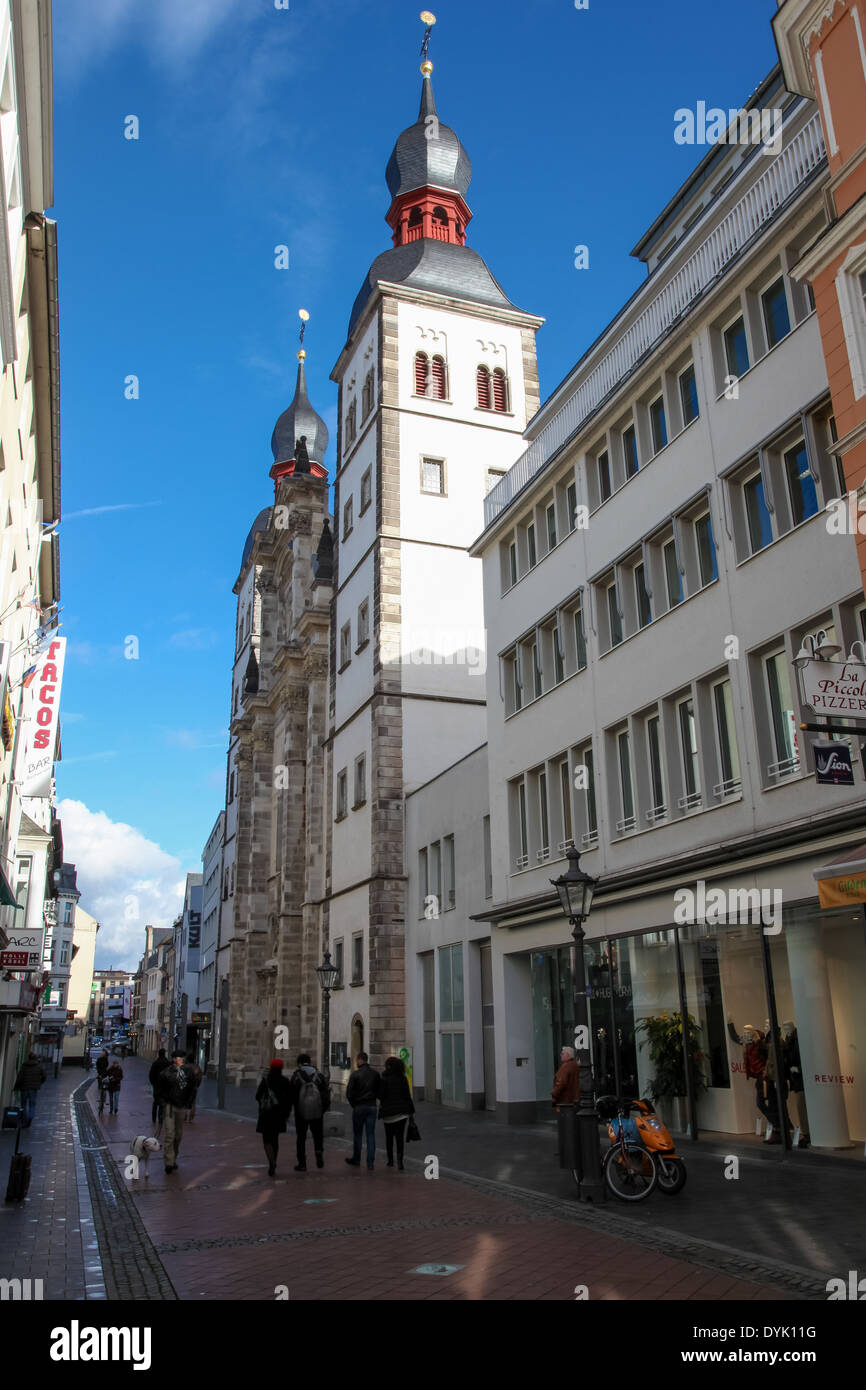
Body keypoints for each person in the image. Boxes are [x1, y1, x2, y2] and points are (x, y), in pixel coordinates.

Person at [157, 1049, 196, 1174]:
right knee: (169, 1135)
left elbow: (192, 1087)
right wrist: (163, 1103)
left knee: (178, 1135)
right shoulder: (166, 1073)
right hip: (169, 1106)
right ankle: (168, 1162)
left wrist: (189, 1102)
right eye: (178, 1057)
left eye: (181, 1057)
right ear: (174, 1059)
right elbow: (158, 1090)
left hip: (181, 1106)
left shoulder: (189, 1071)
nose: (180, 1059)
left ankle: (173, 1157)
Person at [288, 1052, 329, 1171]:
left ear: (299, 1063)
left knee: (301, 1137)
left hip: (301, 1112)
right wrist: (323, 1109)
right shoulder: (319, 1075)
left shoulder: (296, 1076)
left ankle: (302, 1163)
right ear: (310, 1062)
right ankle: (318, 1151)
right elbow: (326, 1094)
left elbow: (291, 1094)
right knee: (318, 1135)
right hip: (317, 1111)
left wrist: (293, 1107)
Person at [255, 1059, 293, 1176]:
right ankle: (274, 1160)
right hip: (279, 1114)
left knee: (266, 1140)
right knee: (275, 1139)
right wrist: (286, 1113)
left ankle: (271, 1162)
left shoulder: (266, 1081)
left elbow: (257, 1096)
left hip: (266, 1114)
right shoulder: (285, 1081)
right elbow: (289, 1099)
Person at [345, 1052, 381, 1171]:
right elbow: (379, 1091)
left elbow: (349, 1093)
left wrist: (354, 1104)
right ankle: (370, 1163)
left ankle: (356, 1158)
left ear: (360, 1060)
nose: (356, 1063)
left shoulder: (355, 1075)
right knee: (371, 1135)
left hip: (359, 1106)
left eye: (357, 1060)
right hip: (371, 1106)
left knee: (358, 1135)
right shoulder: (375, 1074)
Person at [378, 1055, 414, 1171]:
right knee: (399, 1138)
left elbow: (380, 1096)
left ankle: (390, 1160)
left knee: (389, 1138)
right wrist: (411, 1112)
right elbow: (407, 1096)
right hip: (401, 1113)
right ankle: (400, 1162)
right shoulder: (402, 1078)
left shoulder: (384, 1079)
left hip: (388, 1114)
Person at [14, 1051, 46, 1123]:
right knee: (32, 1104)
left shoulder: (24, 1066)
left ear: (28, 1058)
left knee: (23, 1105)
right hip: (33, 1088)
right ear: (35, 1058)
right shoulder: (39, 1066)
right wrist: (40, 1082)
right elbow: (44, 1076)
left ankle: (24, 1119)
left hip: (24, 1088)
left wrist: (16, 1086)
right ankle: (30, 1117)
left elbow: (20, 1077)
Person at [148, 1049, 170, 1125]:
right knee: (162, 1103)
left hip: (156, 1086)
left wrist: (153, 1083)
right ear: (164, 1054)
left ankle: (154, 1118)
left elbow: (151, 1075)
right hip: (165, 1086)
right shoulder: (167, 1063)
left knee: (155, 1102)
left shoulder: (155, 1063)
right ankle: (160, 1119)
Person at [185, 1051, 203, 1122]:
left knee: (185, 1101)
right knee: (193, 1102)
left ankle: (184, 1116)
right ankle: (191, 1118)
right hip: (194, 1087)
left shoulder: (185, 1067)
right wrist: (197, 1085)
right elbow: (199, 1077)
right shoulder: (197, 1067)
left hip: (185, 1087)